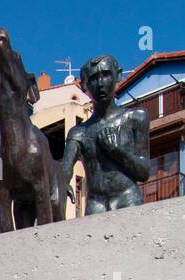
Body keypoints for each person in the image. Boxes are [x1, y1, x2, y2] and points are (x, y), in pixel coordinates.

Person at [61, 54, 150, 214]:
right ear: (84, 86)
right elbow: (65, 169)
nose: (100, 84)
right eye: (93, 78)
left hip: (128, 200)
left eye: (106, 75)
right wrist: (62, 181)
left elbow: (144, 173)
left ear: (118, 75)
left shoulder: (135, 117)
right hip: (96, 205)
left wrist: (116, 151)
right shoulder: (79, 133)